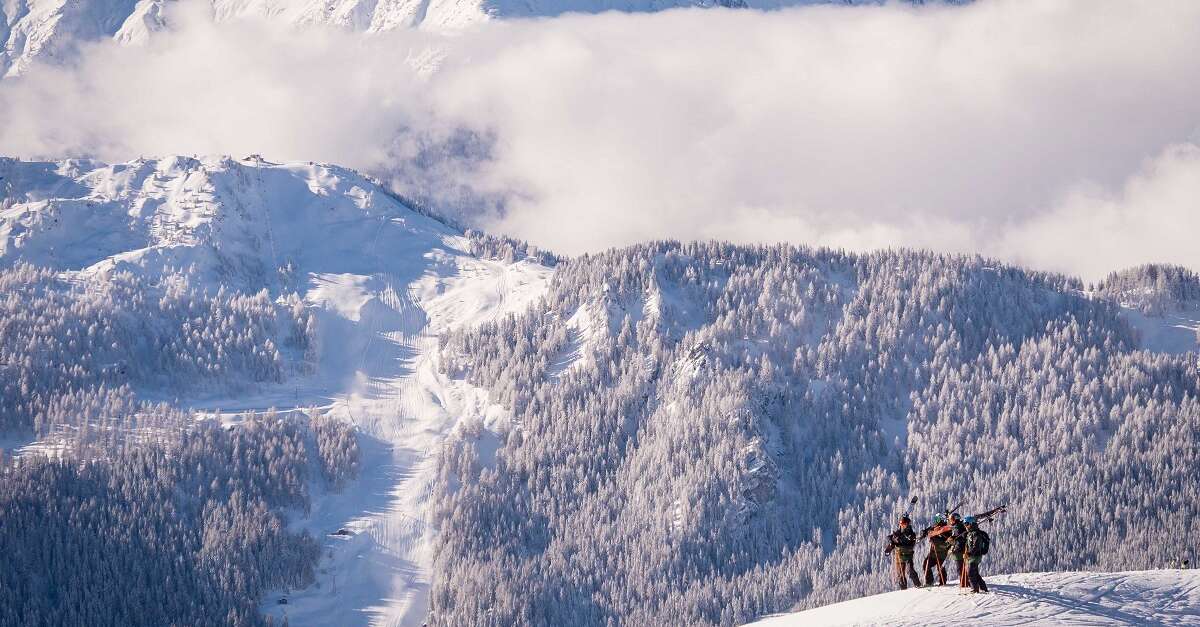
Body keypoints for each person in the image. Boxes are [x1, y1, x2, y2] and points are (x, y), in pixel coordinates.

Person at [884, 515, 922, 590]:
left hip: (908, 555)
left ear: (907, 524)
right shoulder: (898, 533)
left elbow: (912, 539)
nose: (902, 525)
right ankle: (903, 590)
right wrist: (892, 542)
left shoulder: (911, 534)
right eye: (901, 524)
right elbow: (889, 537)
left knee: (910, 570)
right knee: (900, 574)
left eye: (904, 524)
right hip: (899, 555)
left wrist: (898, 539)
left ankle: (918, 585)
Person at [921, 513, 951, 586]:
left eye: (937, 520)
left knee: (940, 567)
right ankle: (929, 581)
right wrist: (925, 532)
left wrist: (935, 536)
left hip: (942, 552)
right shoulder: (935, 527)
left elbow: (946, 541)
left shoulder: (946, 529)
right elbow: (929, 531)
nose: (936, 521)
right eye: (935, 519)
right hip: (933, 552)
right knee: (926, 564)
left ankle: (943, 582)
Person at [964, 515, 991, 593]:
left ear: (971, 523)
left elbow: (976, 546)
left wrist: (969, 553)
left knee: (970, 573)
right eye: (965, 524)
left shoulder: (976, 534)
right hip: (972, 555)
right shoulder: (970, 533)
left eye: (966, 524)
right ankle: (984, 588)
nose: (965, 526)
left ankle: (975, 589)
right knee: (975, 572)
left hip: (975, 556)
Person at [947, 512, 969, 586]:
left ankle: (964, 583)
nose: (950, 521)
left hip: (959, 551)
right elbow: (958, 537)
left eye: (952, 519)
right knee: (961, 567)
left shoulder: (957, 527)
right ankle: (965, 582)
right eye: (950, 519)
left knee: (960, 568)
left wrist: (955, 548)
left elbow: (960, 540)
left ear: (955, 519)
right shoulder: (958, 526)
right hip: (960, 549)